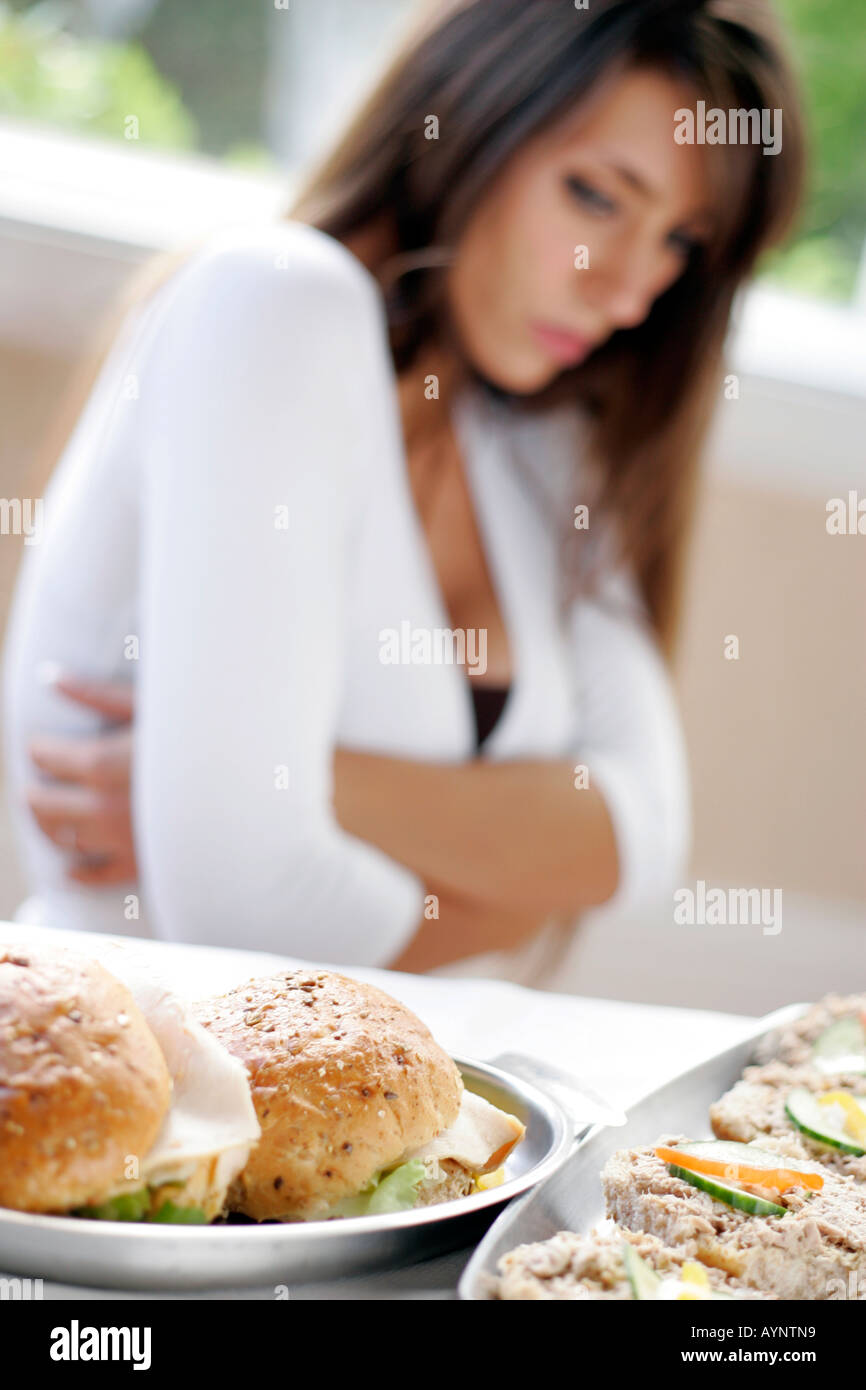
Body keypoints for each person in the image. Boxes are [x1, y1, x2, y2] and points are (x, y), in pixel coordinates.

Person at [2, 0, 805, 986]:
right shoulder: (274, 301)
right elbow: (243, 918)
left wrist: (303, 783)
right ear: (469, 116)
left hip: (372, 1114)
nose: (629, 290)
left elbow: (640, 834)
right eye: (594, 197)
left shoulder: (539, 446)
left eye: (678, 242)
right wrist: (512, 895)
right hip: (142, 1101)